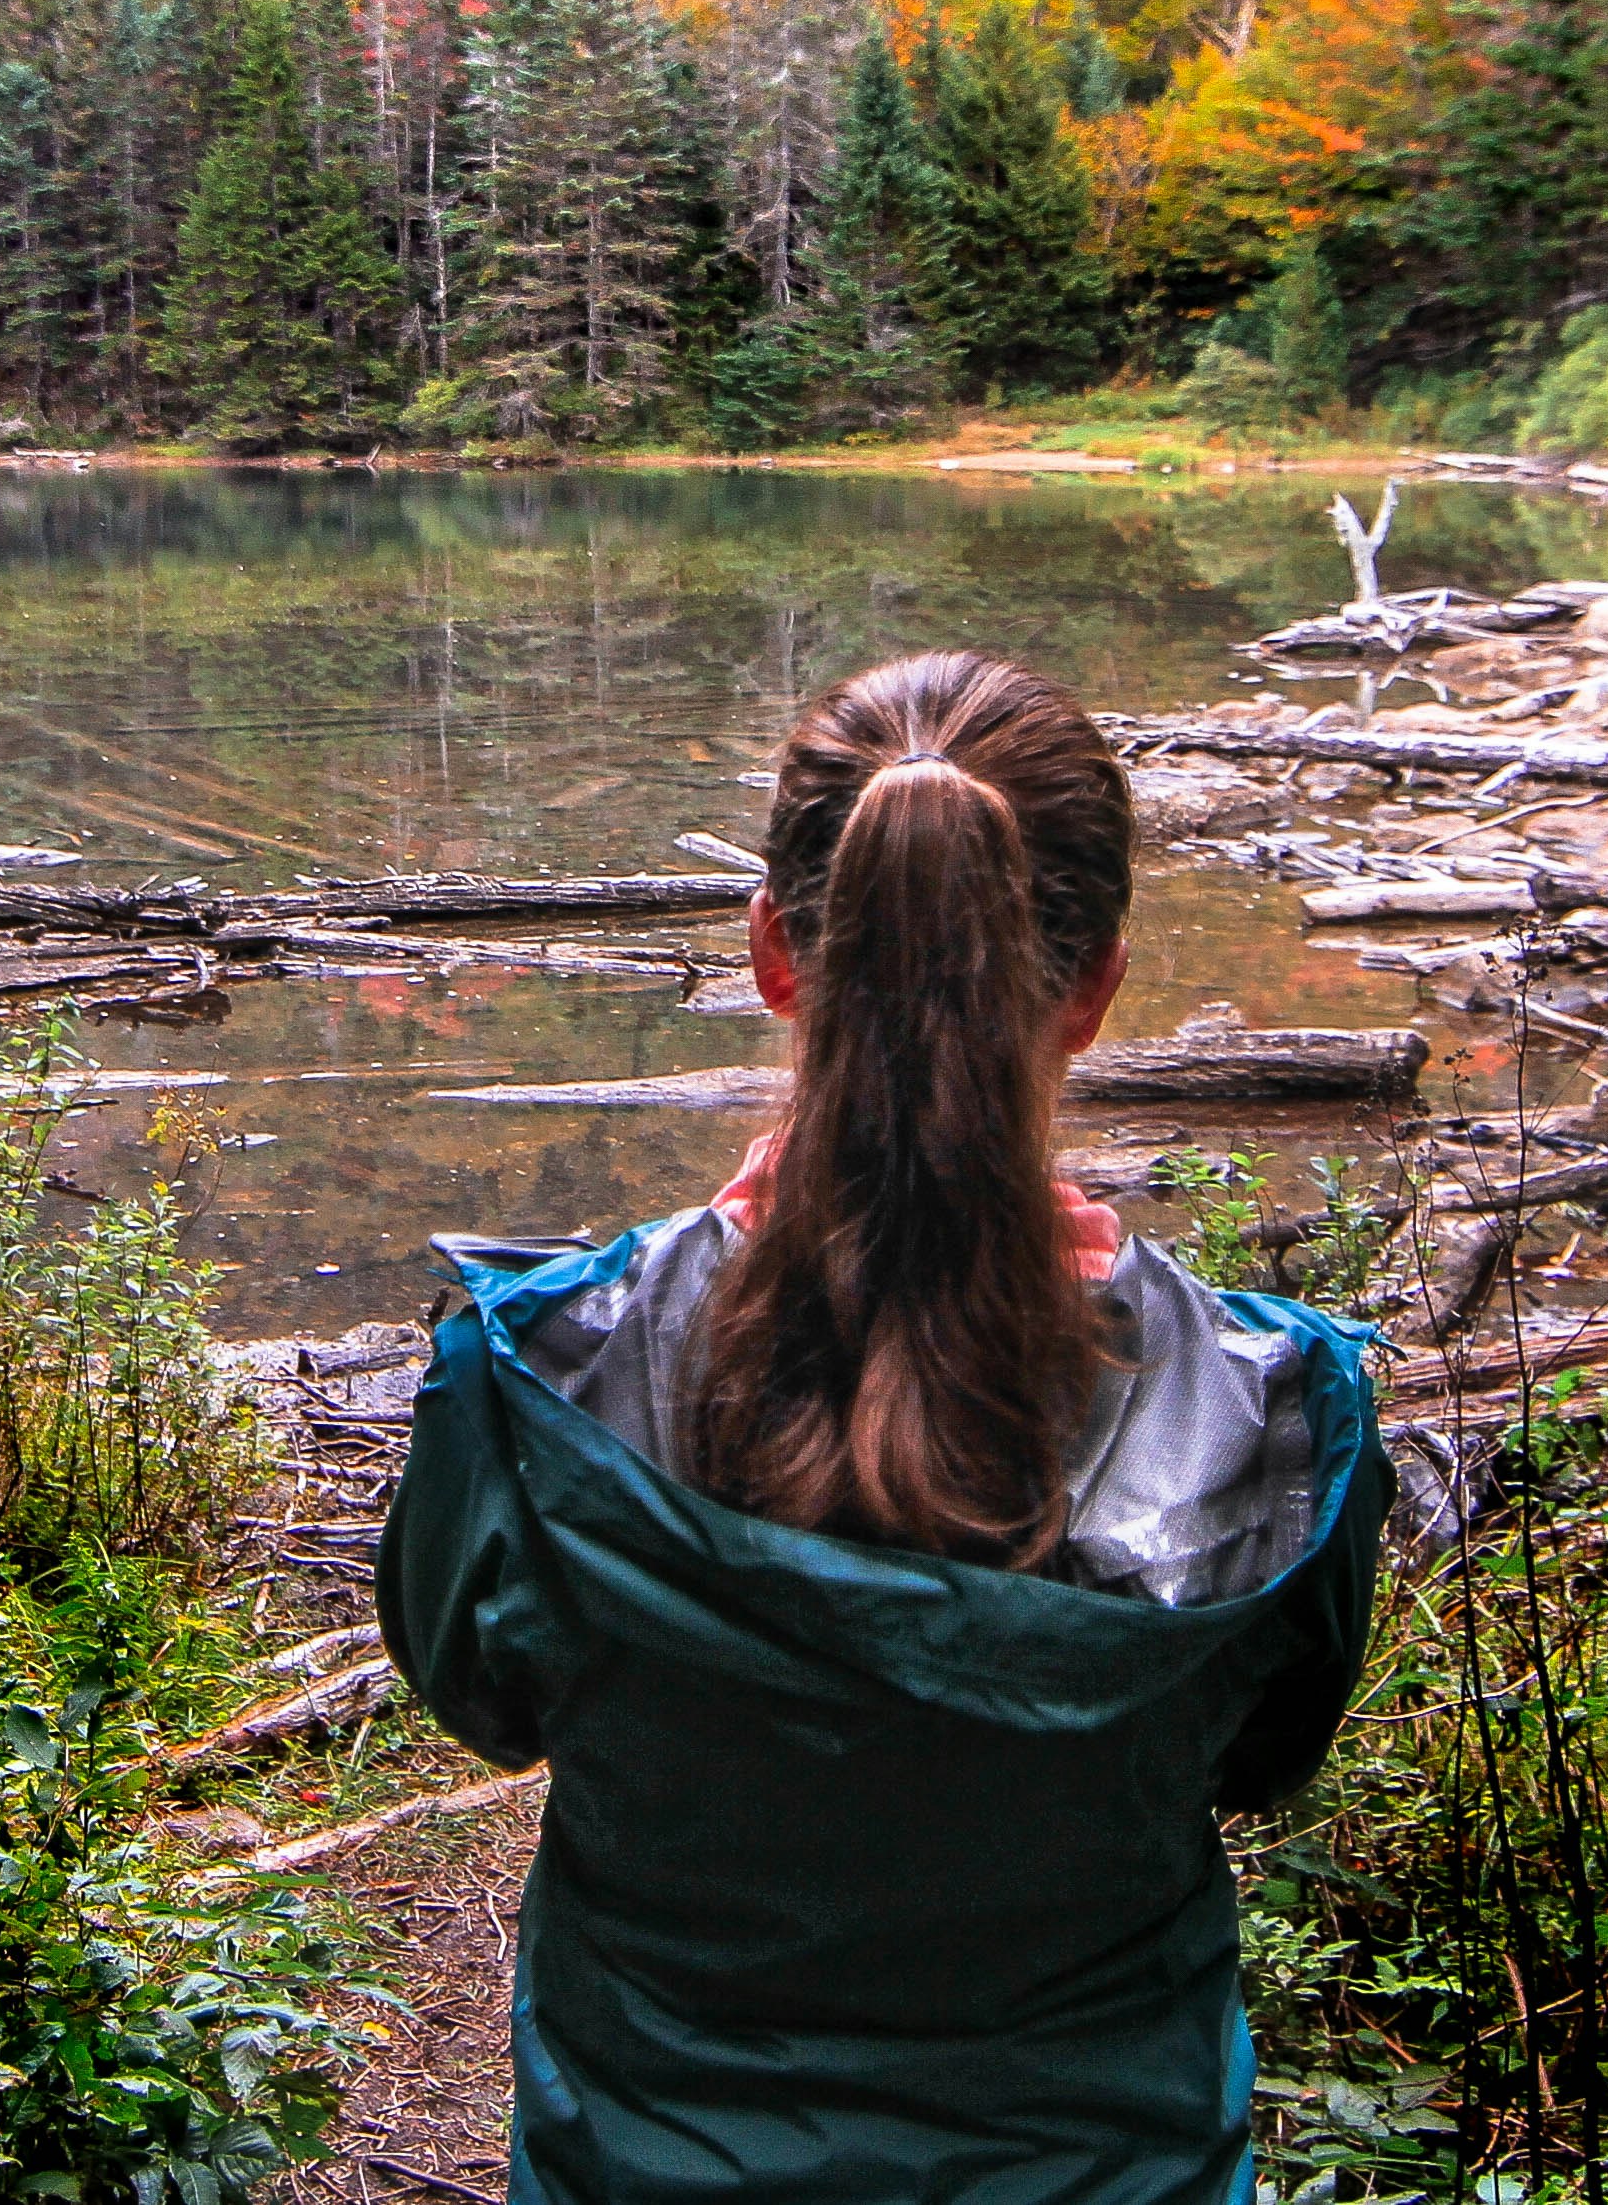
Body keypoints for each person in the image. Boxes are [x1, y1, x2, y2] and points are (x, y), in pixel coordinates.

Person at [378, 648, 1387, 2205]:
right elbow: (1261, 1758)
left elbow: (488, 1702)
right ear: (1102, 981)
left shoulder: (540, 1381)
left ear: (774, 952)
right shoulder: (1278, 1415)